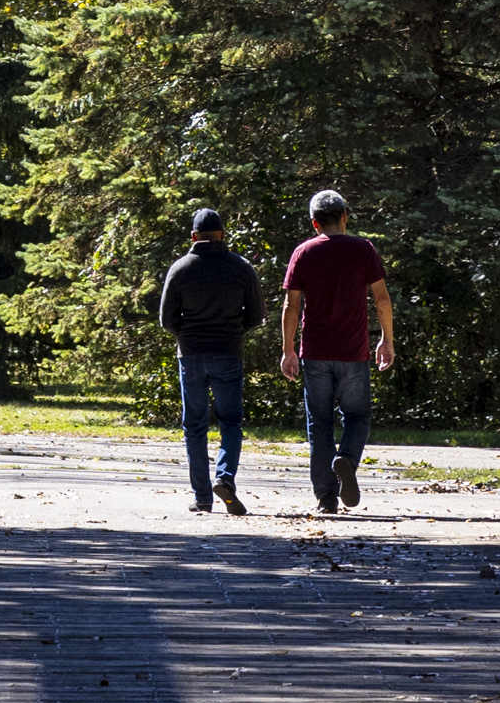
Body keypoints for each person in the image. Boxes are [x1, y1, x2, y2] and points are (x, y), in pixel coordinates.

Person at [277, 189, 393, 514]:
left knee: (320, 422)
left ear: (315, 223)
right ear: (344, 216)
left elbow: (291, 304)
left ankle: (326, 498)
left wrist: (288, 350)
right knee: (358, 416)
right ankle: (348, 460)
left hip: (314, 352)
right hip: (353, 352)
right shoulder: (363, 250)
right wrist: (386, 339)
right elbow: (381, 298)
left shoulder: (303, 252)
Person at [156, 208, 259, 514]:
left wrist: (186, 335)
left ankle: (202, 497)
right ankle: (225, 477)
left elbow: (166, 319)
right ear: (223, 235)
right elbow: (255, 316)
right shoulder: (240, 268)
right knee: (230, 422)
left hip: (191, 355)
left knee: (195, 426)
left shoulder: (181, 268)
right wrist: (233, 331)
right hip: (228, 352)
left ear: (193, 236)